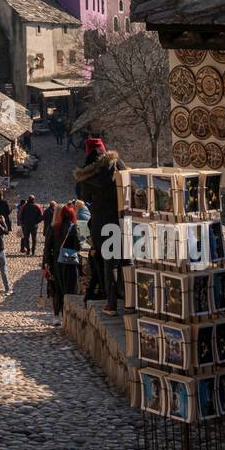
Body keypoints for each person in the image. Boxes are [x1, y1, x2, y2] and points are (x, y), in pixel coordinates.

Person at [74, 135, 123, 315]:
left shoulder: (87, 178)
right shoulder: (117, 165)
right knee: (126, 261)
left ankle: (111, 304)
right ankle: (130, 301)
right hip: (121, 220)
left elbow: (85, 198)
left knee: (109, 264)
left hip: (101, 225)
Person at [49, 202, 83, 323]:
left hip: (57, 263)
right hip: (69, 263)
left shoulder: (55, 228)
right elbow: (77, 246)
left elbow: (48, 248)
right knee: (70, 289)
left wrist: (46, 265)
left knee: (58, 289)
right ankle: (67, 317)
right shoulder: (73, 227)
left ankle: (57, 316)